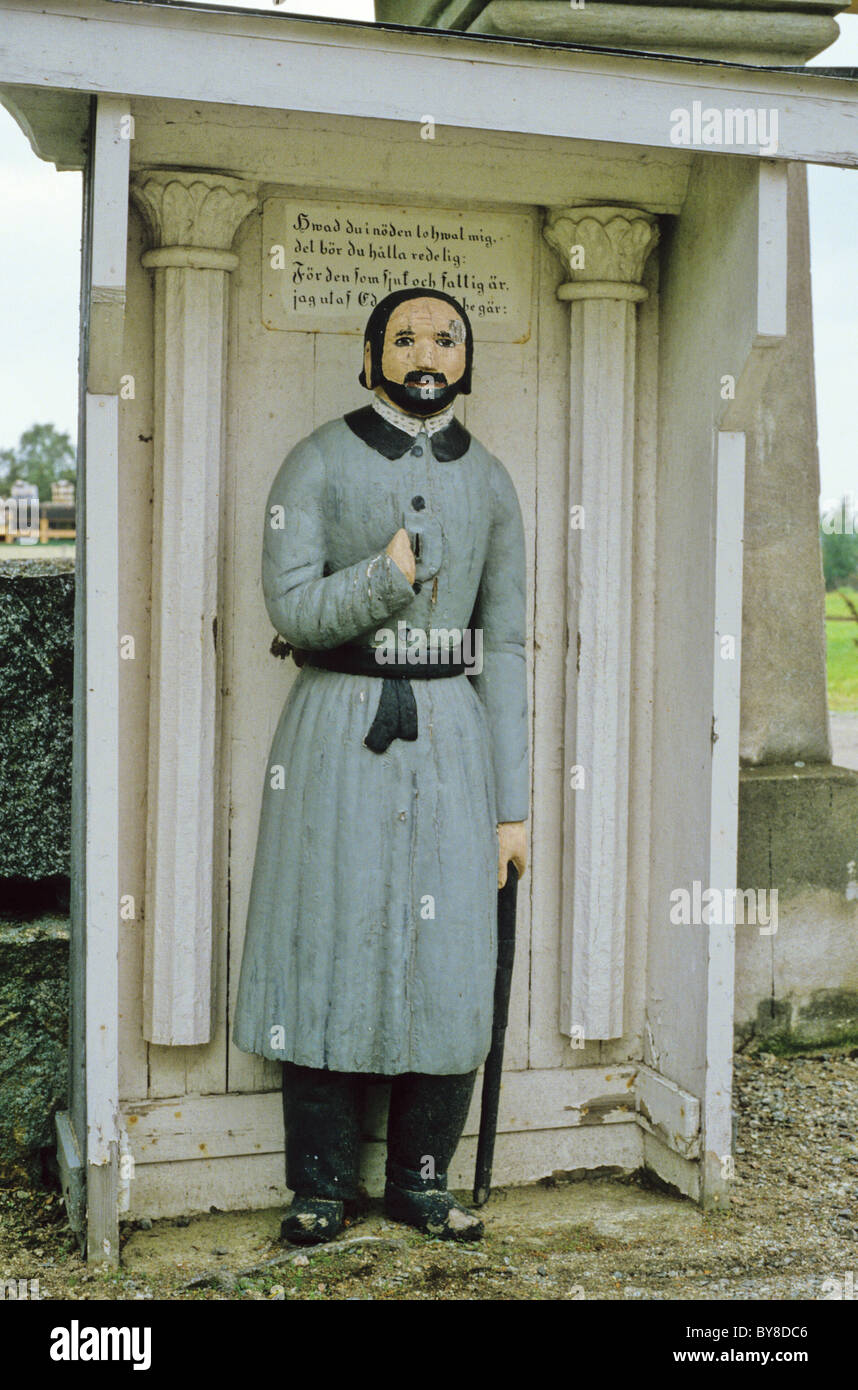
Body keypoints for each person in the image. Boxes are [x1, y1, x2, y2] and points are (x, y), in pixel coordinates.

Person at [233, 287, 528, 1244]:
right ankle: (318, 1183)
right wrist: (384, 580)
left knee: (449, 961)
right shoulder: (315, 461)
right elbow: (288, 608)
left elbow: (512, 647)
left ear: (468, 360)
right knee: (325, 940)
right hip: (337, 730)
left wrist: (513, 807)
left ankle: (422, 1179)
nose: (425, 351)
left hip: (451, 739)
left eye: (447, 336)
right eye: (403, 337)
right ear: (370, 357)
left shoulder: (492, 483)